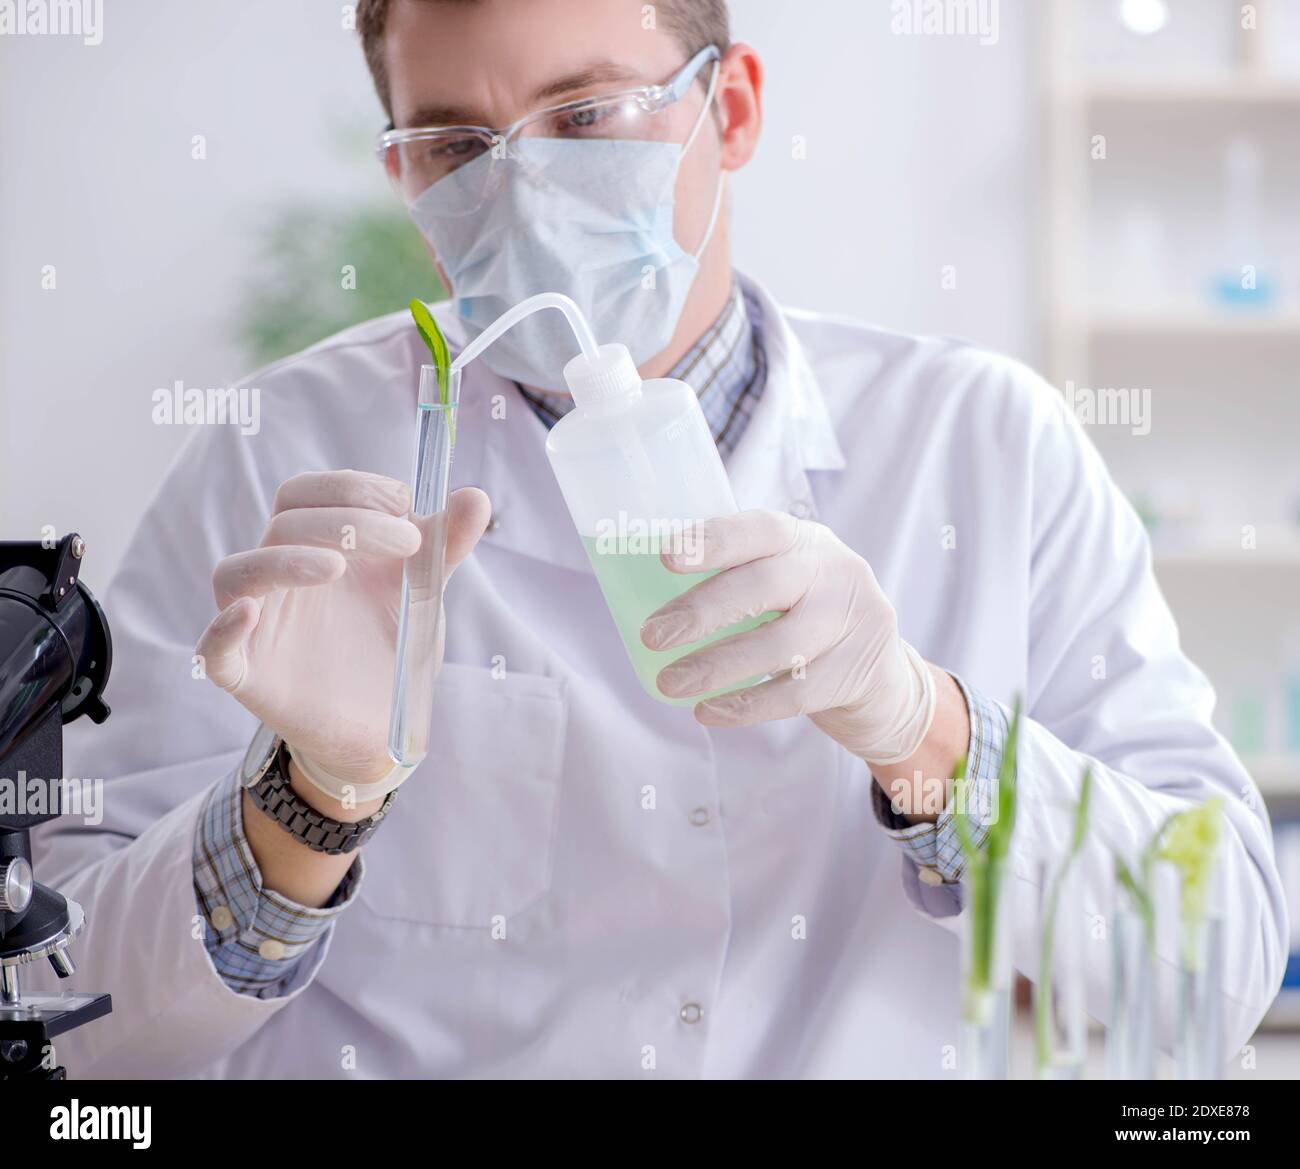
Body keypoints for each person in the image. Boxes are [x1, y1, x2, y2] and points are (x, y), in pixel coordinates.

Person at [32, 0, 1285, 1078]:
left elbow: (1213, 966)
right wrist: (307, 800)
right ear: (401, 171)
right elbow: (67, 1017)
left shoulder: (985, 441)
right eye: (457, 144)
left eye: (585, 117)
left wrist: (923, 728)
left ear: (730, 111)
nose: (516, 189)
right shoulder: (278, 452)